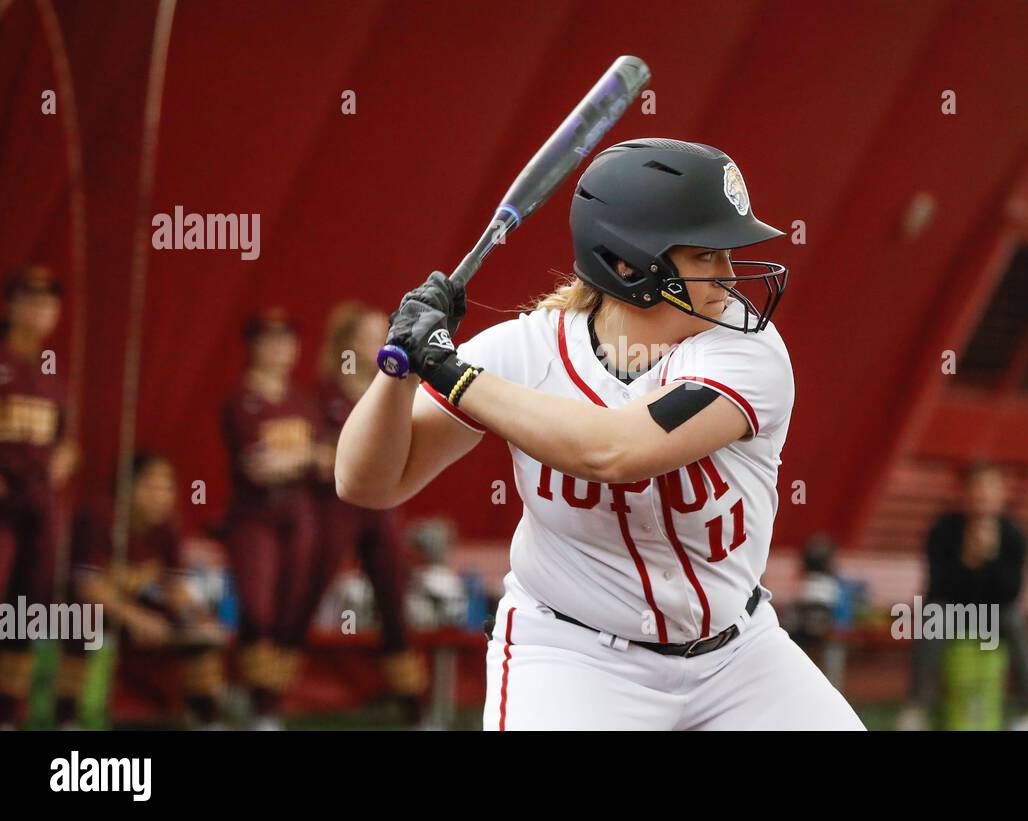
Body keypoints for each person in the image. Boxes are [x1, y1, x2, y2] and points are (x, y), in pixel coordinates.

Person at [336, 138, 863, 730]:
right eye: (707, 256)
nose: (730, 276)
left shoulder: (748, 349)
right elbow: (367, 482)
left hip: (736, 656)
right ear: (629, 266)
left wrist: (449, 369)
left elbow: (616, 451)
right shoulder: (528, 348)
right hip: (572, 657)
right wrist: (399, 370)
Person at [304, 302, 426, 726]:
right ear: (350, 342)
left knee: (395, 594)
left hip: (379, 508)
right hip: (335, 510)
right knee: (306, 593)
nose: (381, 338)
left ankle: (414, 709)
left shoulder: (389, 387)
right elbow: (316, 457)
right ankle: (266, 702)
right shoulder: (323, 396)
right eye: (373, 332)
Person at [61, 452, 227, 729]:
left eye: (168, 487)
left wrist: (199, 617)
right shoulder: (100, 517)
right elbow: (88, 588)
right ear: (126, 488)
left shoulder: (168, 525)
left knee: (199, 633)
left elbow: (174, 587)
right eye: (151, 486)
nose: (161, 495)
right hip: (90, 608)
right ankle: (67, 718)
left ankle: (208, 719)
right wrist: (136, 618)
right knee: (81, 621)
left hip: (141, 609)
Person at [896, 463, 1028, 730]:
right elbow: (938, 586)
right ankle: (917, 709)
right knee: (934, 614)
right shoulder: (944, 530)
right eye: (977, 487)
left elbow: (1011, 593)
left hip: (994, 616)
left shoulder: (1014, 534)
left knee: (1016, 620)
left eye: (990, 488)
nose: (982, 495)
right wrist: (969, 560)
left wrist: (990, 560)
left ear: (1002, 494)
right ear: (964, 493)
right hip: (954, 613)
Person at [221, 309, 321, 730]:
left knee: (290, 608)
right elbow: (258, 468)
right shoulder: (240, 400)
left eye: (287, 339)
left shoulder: (302, 401)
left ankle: (268, 703)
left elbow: (330, 459)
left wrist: (299, 459)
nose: (280, 349)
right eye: (270, 339)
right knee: (257, 607)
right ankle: (249, 697)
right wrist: (306, 458)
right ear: (253, 346)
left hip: (299, 515)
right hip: (255, 517)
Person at [0, 265, 78, 729]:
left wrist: (66, 457)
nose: (39, 310)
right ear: (10, 305)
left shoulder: (51, 371)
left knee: (28, 607)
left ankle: (7, 711)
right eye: (29, 299)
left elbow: (66, 439)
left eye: (48, 302)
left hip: (40, 505)